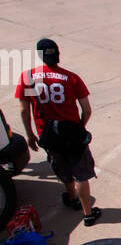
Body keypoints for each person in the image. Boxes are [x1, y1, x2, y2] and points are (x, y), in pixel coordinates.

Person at [14, 37, 102, 225]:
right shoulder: (71, 78)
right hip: (71, 133)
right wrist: (80, 126)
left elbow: (24, 110)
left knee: (62, 168)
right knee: (81, 174)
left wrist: (30, 134)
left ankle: (71, 198)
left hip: (48, 135)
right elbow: (86, 109)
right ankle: (88, 214)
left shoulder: (27, 78)